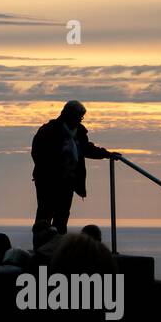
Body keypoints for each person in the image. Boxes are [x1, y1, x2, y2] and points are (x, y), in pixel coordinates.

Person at [30, 101, 119, 237]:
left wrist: (107, 154)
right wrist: (51, 169)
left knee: (63, 213)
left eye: (81, 117)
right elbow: (37, 152)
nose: (80, 119)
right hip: (48, 180)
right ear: (69, 114)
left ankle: (58, 245)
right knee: (45, 212)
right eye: (79, 116)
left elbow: (86, 148)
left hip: (68, 180)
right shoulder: (49, 130)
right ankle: (41, 245)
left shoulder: (80, 132)